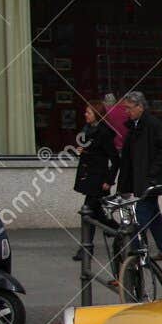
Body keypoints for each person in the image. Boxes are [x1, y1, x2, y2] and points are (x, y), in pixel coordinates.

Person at [116, 90, 162, 260]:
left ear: (140, 107)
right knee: (154, 215)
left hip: (150, 181)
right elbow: (128, 160)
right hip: (141, 180)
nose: (127, 112)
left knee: (140, 218)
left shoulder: (153, 125)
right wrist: (123, 186)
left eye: (129, 108)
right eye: (125, 108)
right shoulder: (134, 127)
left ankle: (134, 254)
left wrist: (152, 172)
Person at [71, 98, 119, 262]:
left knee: (88, 211)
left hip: (99, 179)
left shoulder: (104, 133)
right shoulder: (88, 130)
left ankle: (86, 248)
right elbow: (90, 151)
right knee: (97, 214)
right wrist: (82, 151)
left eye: (89, 112)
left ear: (97, 115)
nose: (85, 114)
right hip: (89, 176)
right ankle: (118, 231)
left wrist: (109, 180)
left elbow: (114, 159)